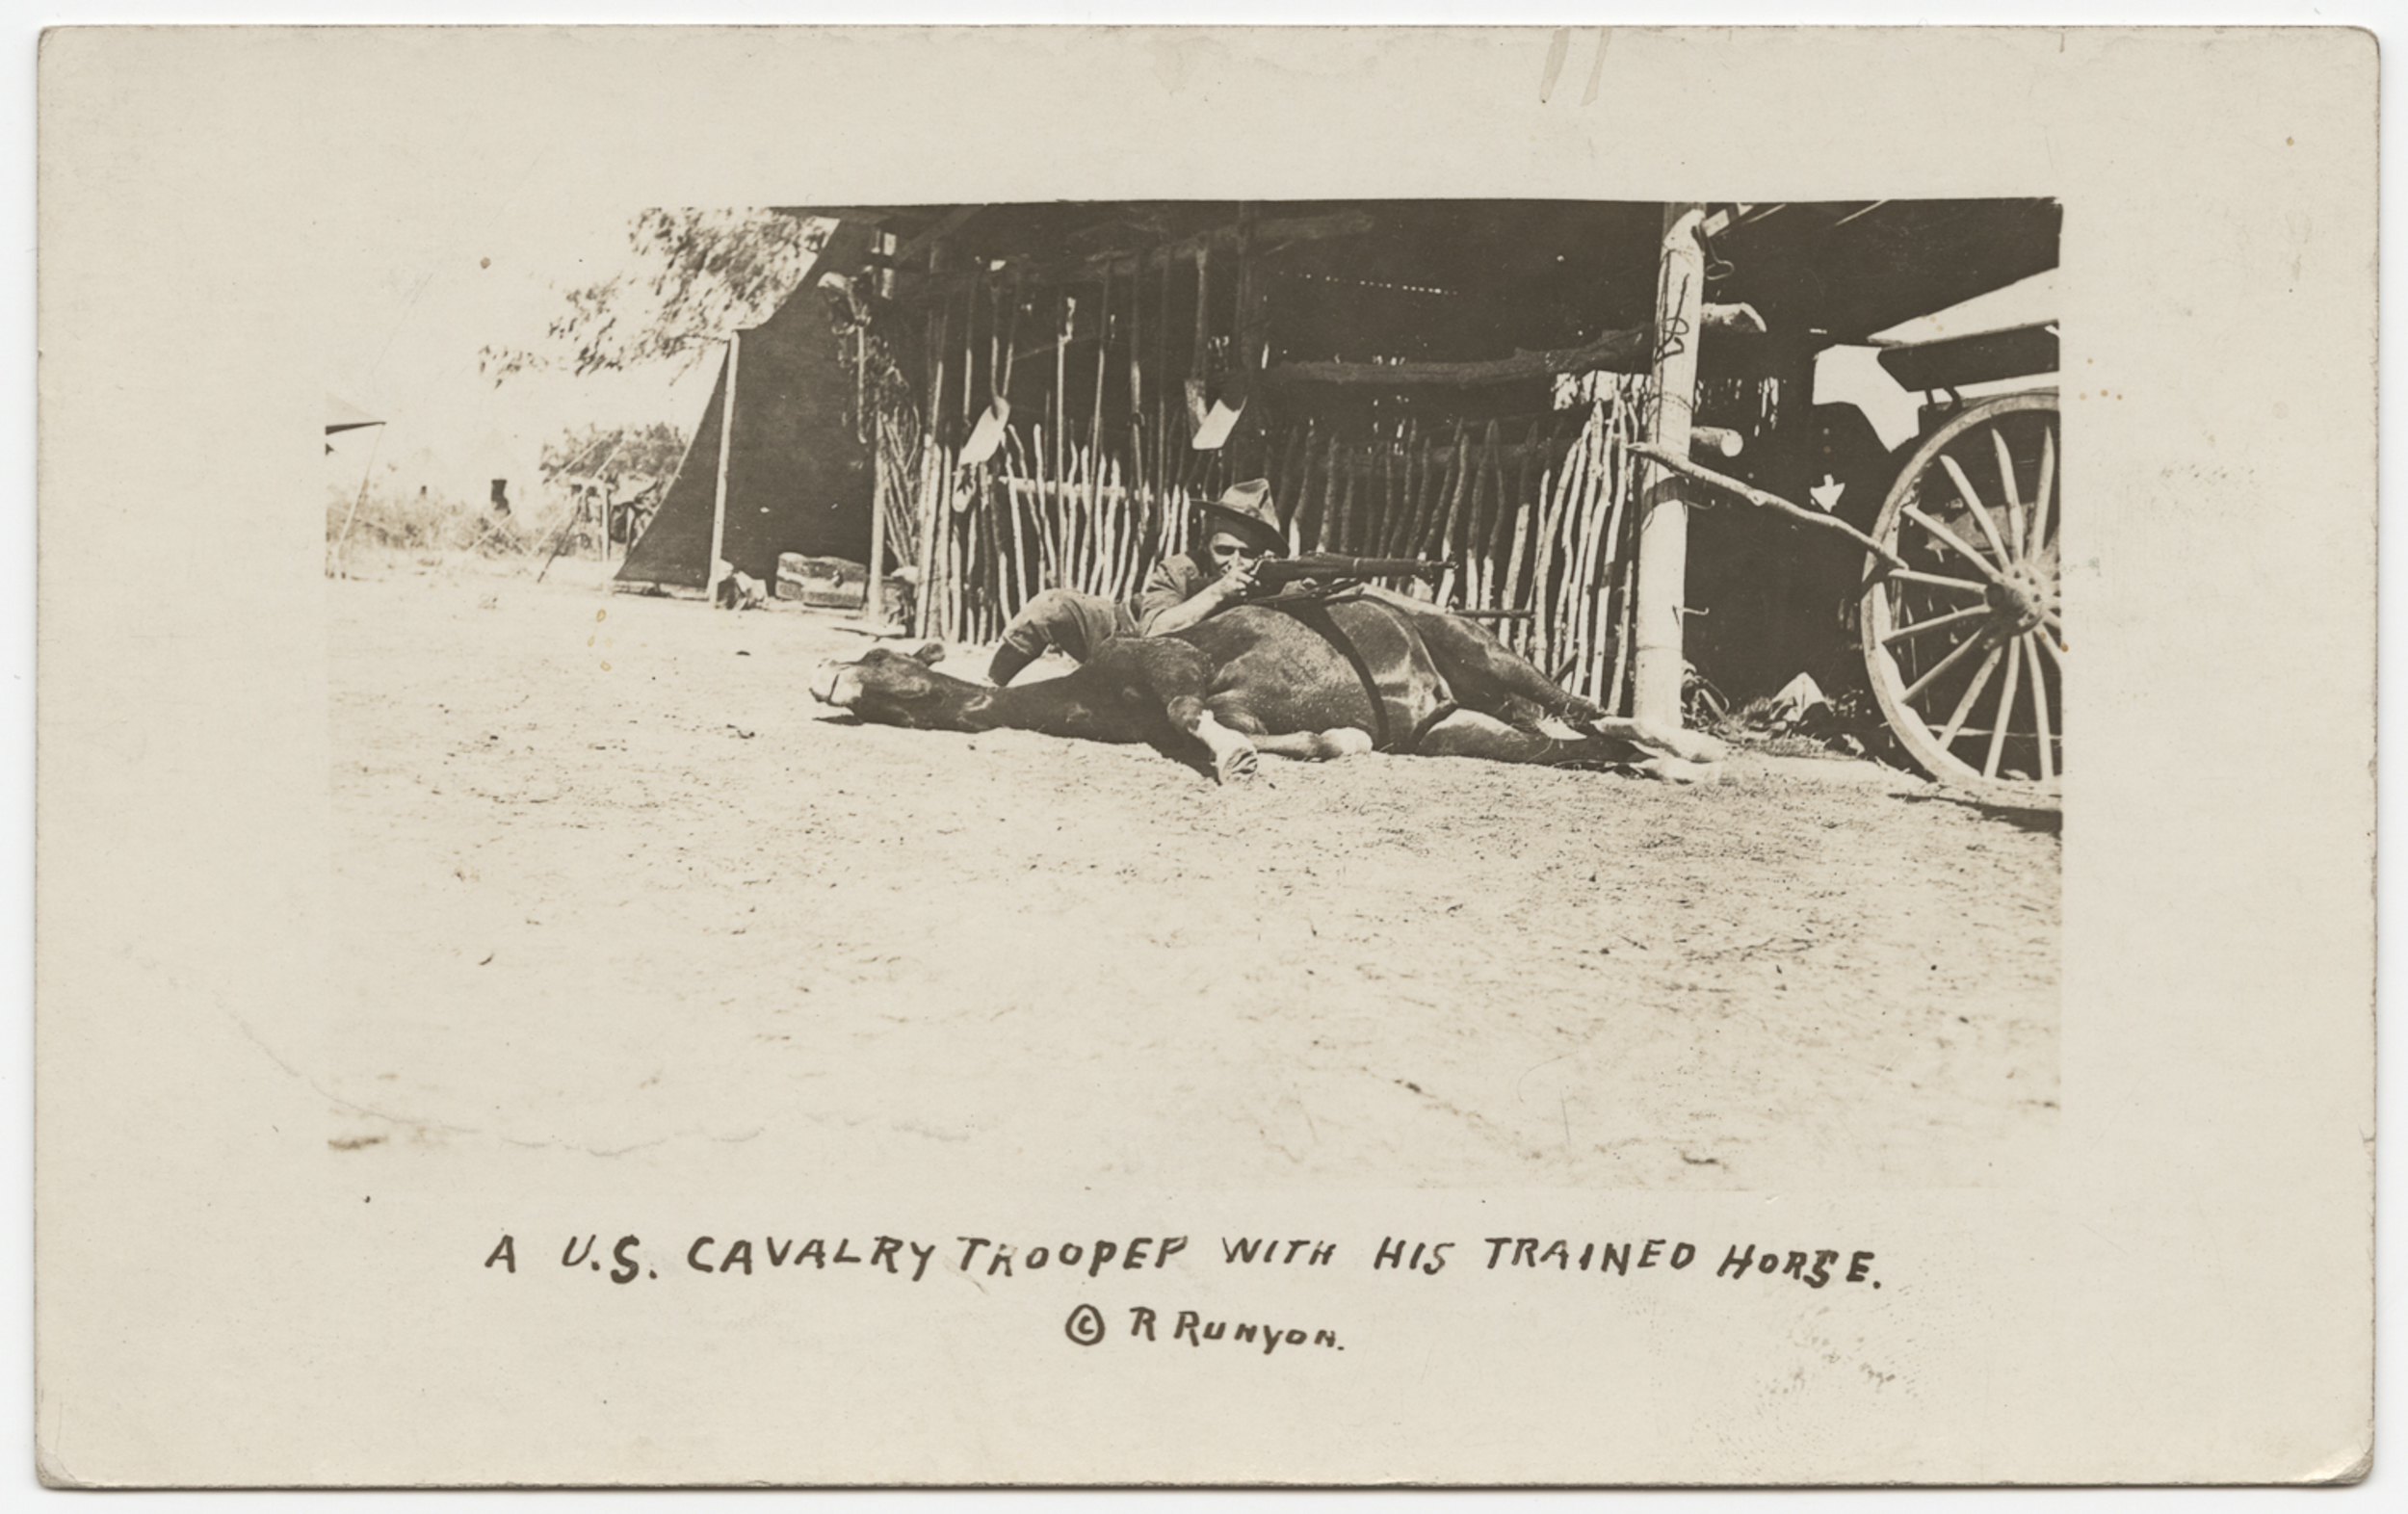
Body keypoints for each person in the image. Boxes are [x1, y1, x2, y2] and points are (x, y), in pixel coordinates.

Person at [985, 479, 1288, 687]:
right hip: (1122, 632)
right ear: (1206, 545)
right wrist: (1219, 592)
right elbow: (1153, 632)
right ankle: (991, 685)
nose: (1234, 562)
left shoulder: (1267, 585)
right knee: (1051, 606)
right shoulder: (1181, 569)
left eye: (1247, 554)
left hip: (1177, 672)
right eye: (1224, 550)